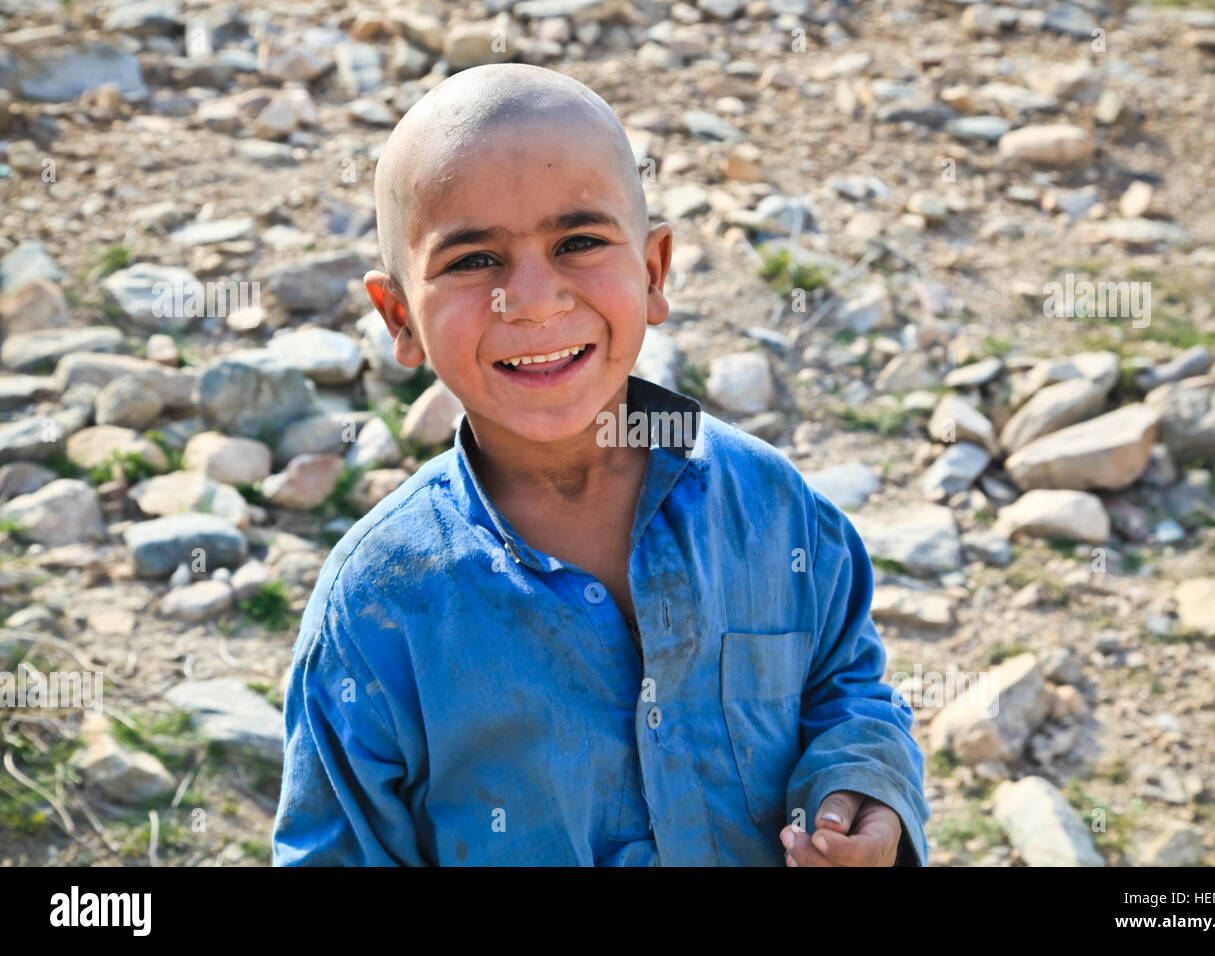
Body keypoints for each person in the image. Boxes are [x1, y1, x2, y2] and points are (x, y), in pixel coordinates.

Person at [271, 63, 929, 866]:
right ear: (399, 317)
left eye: (579, 242)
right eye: (474, 260)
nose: (537, 301)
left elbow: (846, 687)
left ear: (653, 272)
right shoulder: (379, 607)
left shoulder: (770, 509)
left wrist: (860, 787)